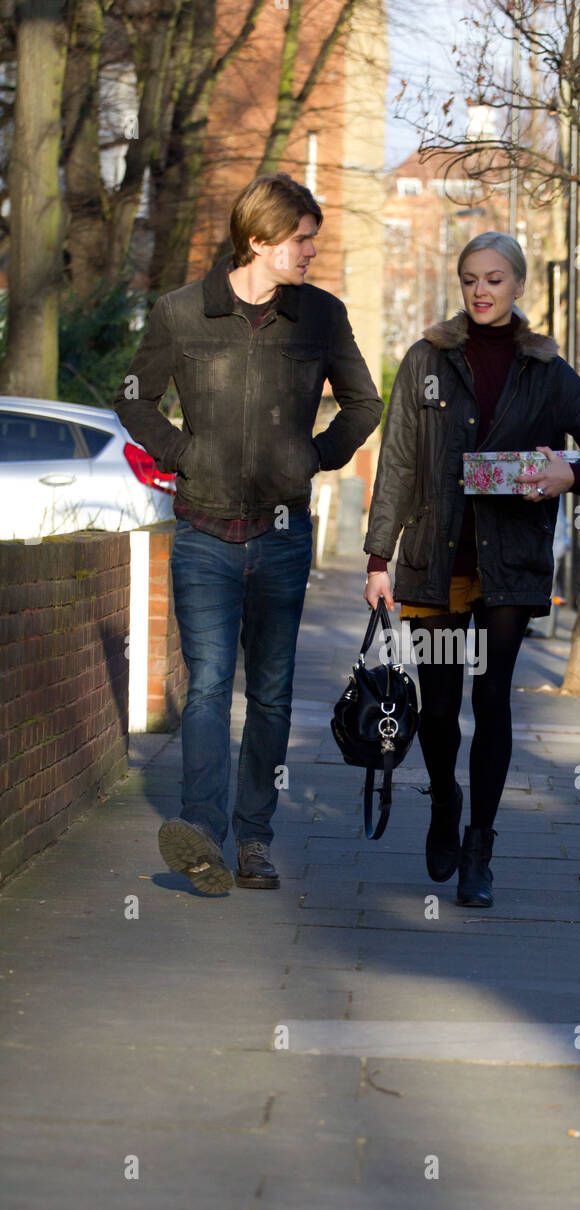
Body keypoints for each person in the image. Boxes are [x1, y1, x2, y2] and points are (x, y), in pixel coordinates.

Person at [115, 174, 382, 894]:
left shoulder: (320, 317)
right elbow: (133, 397)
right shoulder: (181, 313)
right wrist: (181, 454)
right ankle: (202, 831)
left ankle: (255, 840)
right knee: (206, 687)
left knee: (269, 692)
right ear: (260, 240)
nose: (311, 252)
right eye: (302, 240)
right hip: (203, 530)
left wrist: (315, 455)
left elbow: (365, 402)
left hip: (284, 533)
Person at [363, 231, 580, 908]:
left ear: (517, 286)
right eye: (470, 280)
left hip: (509, 564)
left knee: (492, 700)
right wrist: (377, 557)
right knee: (441, 708)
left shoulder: (544, 369)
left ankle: (480, 846)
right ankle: (445, 801)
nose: (481, 291)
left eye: (495, 279)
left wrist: (570, 472)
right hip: (435, 559)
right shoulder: (428, 359)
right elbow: (396, 461)